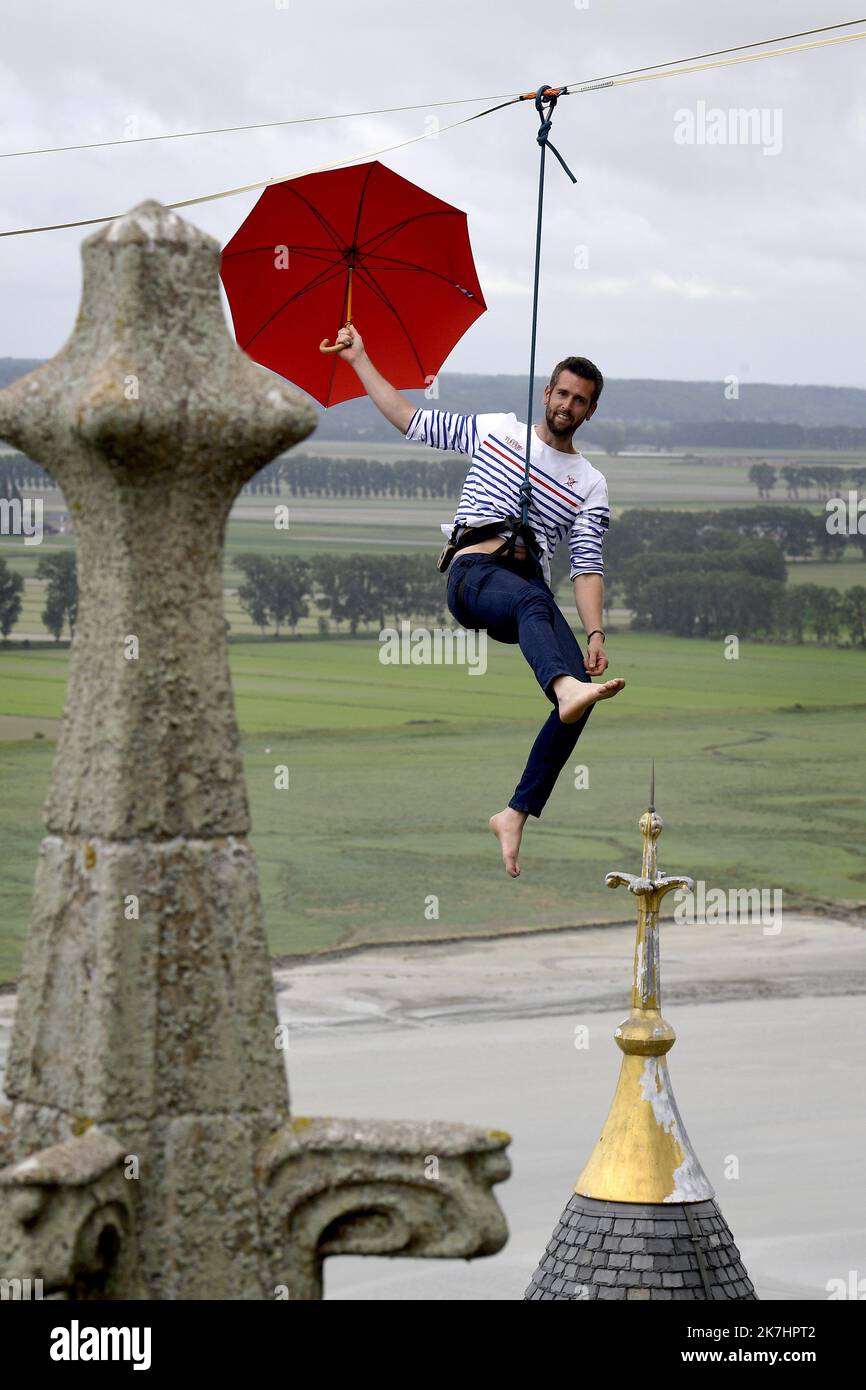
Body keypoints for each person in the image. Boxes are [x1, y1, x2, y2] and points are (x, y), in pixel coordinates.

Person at [333, 323, 625, 876]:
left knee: (583, 697)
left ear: (591, 410)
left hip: (526, 585)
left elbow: (586, 566)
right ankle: (563, 688)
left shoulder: (590, 482)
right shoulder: (497, 431)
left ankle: (515, 812)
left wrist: (594, 635)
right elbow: (410, 420)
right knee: (541, 625)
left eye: (580, 400)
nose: (567, 405)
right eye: (561, 393)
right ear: (547, 394)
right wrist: (360, 358)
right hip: (473, 574)